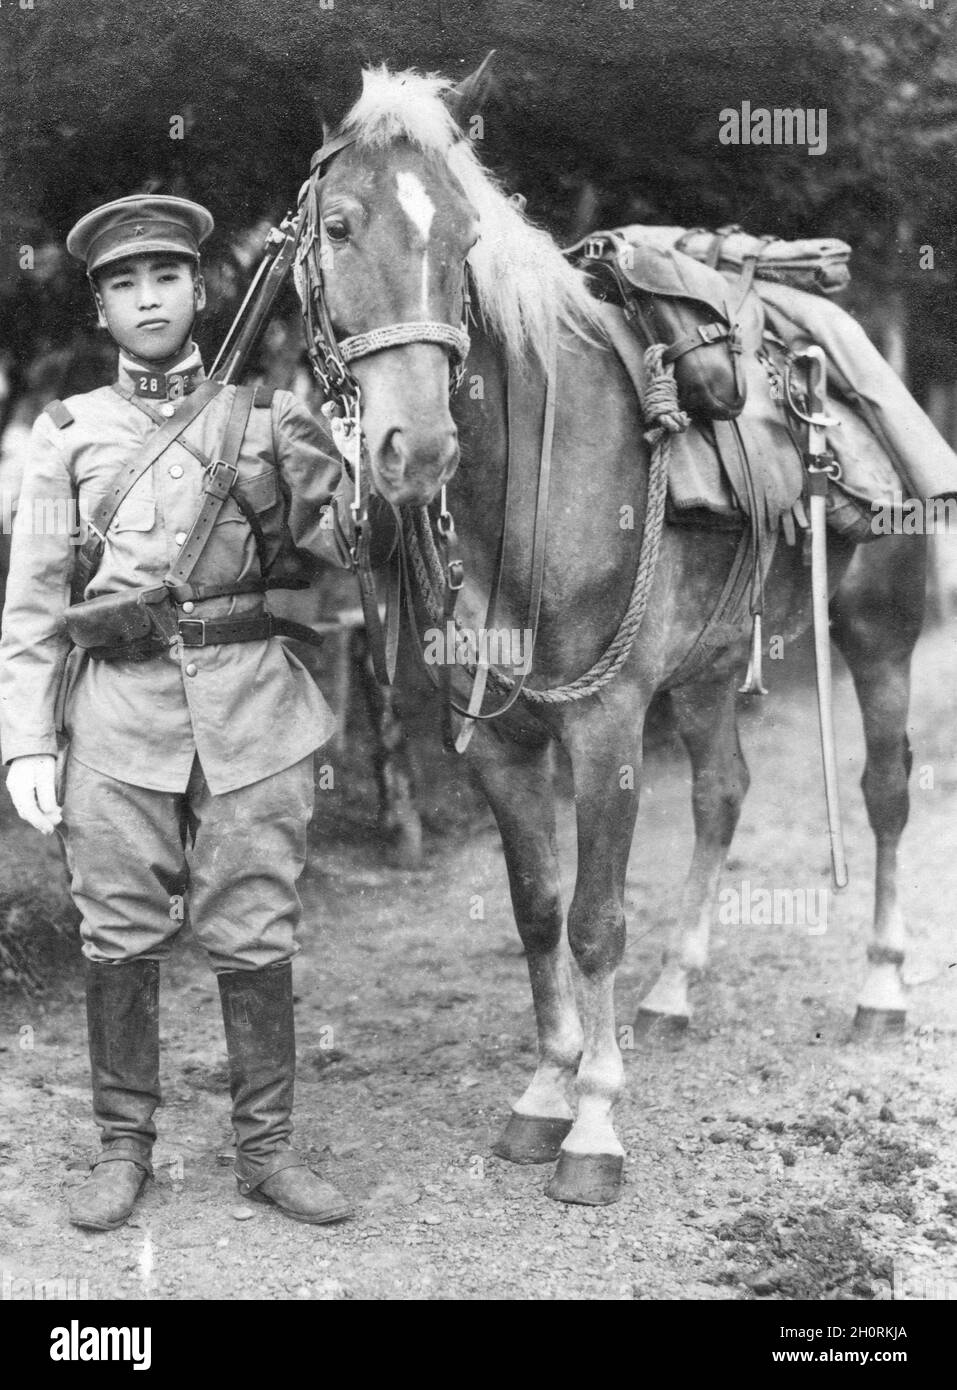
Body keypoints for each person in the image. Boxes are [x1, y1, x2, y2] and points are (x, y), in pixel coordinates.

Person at [0, 194, 358, 1230]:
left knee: (255, 924)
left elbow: (346, 545)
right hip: (116, 722)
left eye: (164, 276)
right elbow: (32, 604)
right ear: (101, 309)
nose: (147, 297)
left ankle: (268, 1149)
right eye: (124, 283)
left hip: (254, 713)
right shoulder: (69, 437)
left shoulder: (267, 415)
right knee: (117, 933)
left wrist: (358, 461)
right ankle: (124, 1148)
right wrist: (25, 738)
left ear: (199, 290)